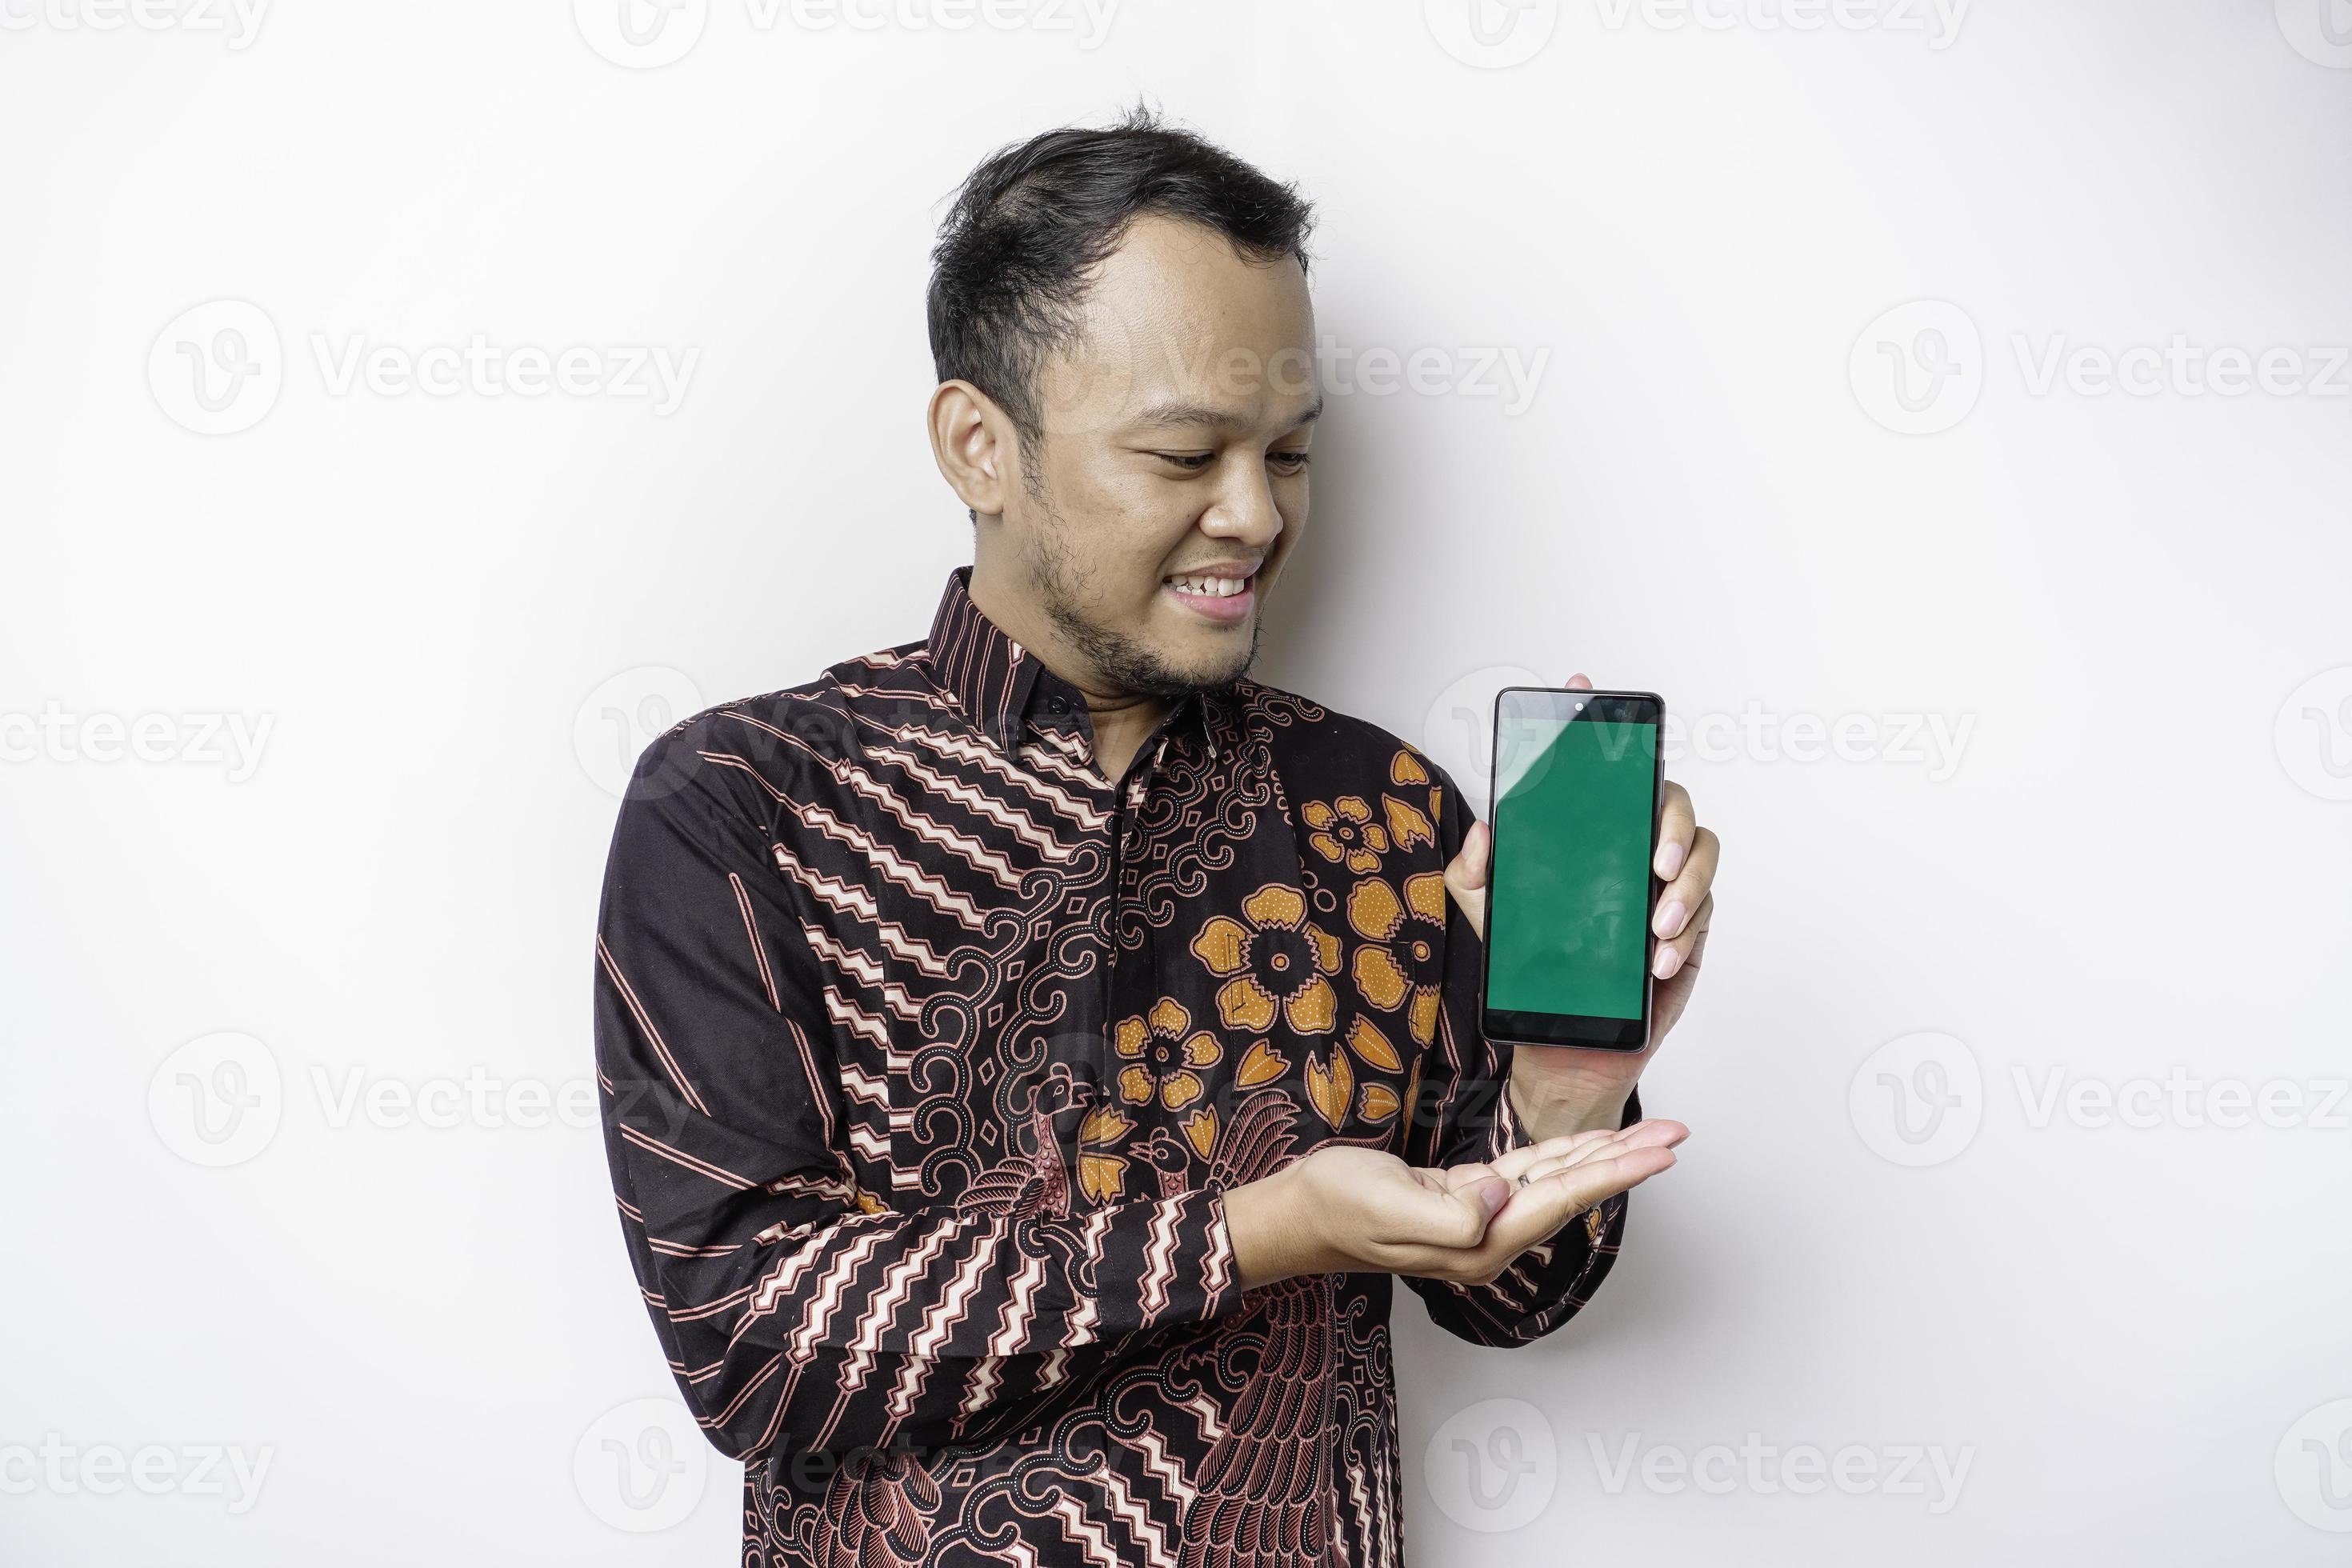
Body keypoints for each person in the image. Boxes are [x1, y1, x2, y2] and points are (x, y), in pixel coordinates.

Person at [592, 106, 1718, 1566]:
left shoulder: (1387, 813)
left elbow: (1506, 1296)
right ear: (979, 446)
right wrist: (1255, 1233)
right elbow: (746, 1341)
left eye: (1288, 455)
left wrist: (1564, 1099)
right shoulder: (742, 805)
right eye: (1186, 453)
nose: (1253, 516)